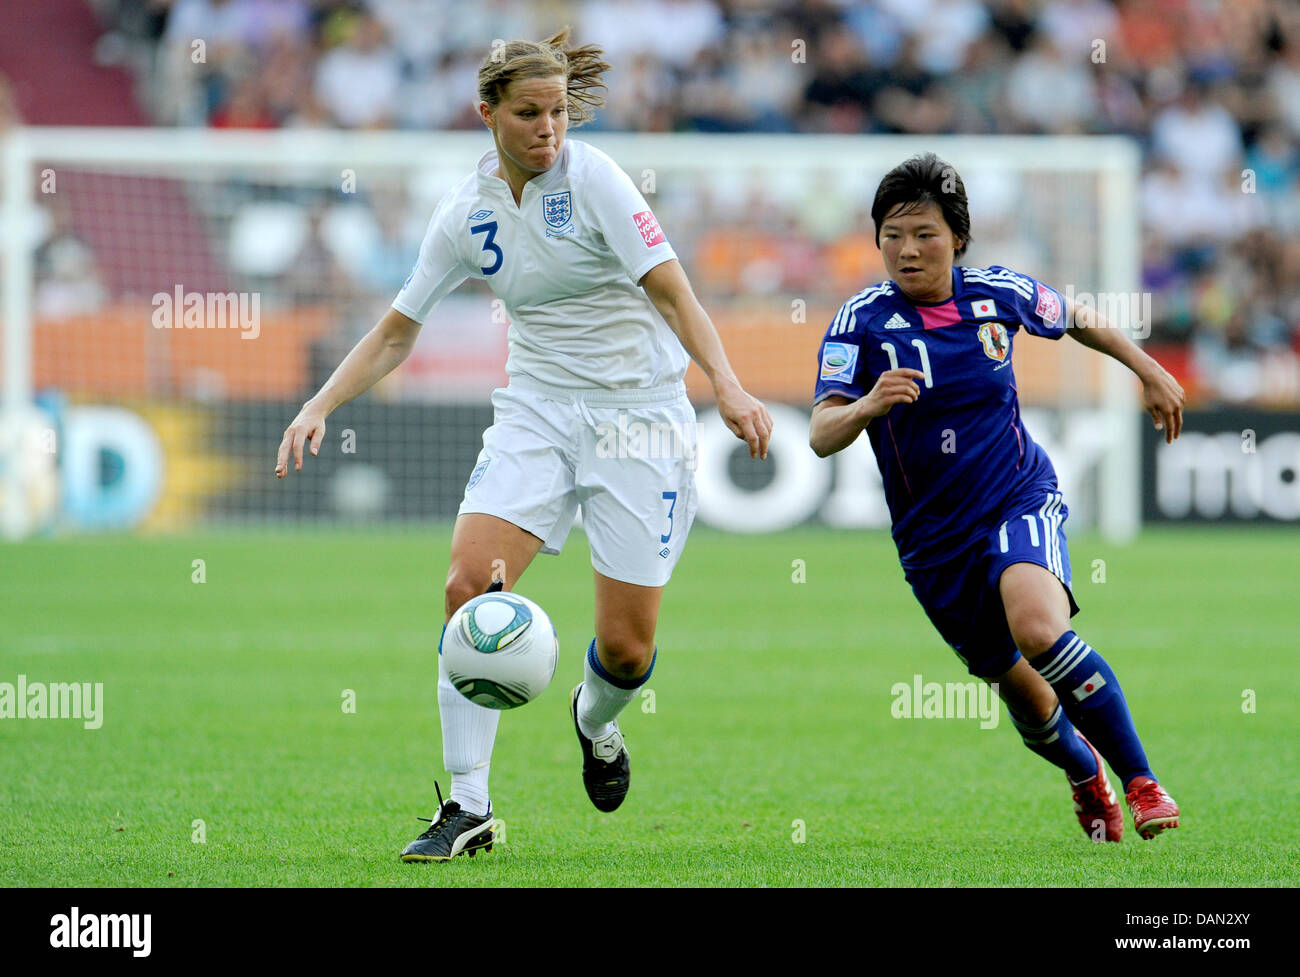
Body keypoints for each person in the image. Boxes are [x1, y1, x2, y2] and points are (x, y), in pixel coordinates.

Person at [274, 29, 772, 861]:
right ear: (488, 115)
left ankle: (595, 719)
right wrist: (320, 402)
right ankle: (468, 806)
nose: (550, 129)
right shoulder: (465, 212)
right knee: (466, 583)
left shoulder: (599, 181)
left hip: (638, 419)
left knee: (626, 647)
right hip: (537, 410)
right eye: (530, 114)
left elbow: (675, 294)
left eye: (559, 113)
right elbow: (399, 332)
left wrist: (725, 380)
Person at [809, 153, 1183, 842]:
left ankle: (1141, 780)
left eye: (923, 232)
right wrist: (867, 404)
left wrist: (1147, 369)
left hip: (1016, 495)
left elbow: (1077, 316)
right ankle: (1082, 771)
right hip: (932, 545)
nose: (907, 249)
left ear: (957, 237)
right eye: (892, 233)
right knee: (1032, 702)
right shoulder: (860, 320)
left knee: (1040, 628)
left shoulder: (997, 294)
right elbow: (821, 435)